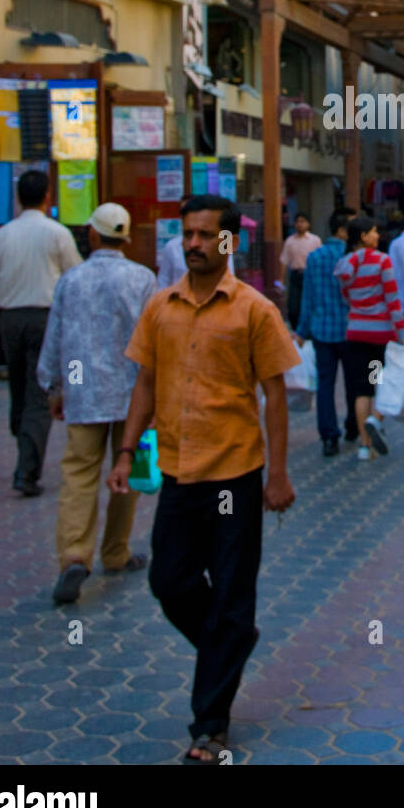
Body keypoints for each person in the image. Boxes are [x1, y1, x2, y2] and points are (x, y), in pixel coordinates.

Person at [107, 195, 299, 765]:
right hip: (178, 471)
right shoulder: (160, 306)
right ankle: (229, 643)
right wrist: (124, 452)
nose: (193, 244)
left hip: (236, 475)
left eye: (204, 235)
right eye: (186, 234)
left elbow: (276, 396)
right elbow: (144, 383)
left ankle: (209, 727)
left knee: (232, 597)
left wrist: (279, 475)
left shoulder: (254, 310)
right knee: (169, 581)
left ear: (227, 241)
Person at [36, 204, 156, 606]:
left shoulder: (72, 280)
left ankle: (74, 554)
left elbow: (56, 337)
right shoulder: (143, 279)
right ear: (125, 238)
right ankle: (116, 552)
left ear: (91, 235)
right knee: (132, 472)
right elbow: (154, 341)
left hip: (82, 388)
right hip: (132, 392)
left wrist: (56, 387)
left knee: (79, 473)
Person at [0, 169, 82, 496]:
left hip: (9, 318)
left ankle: (24, 444)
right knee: (39, 392)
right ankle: (27, 468)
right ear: (48, 195)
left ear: (18, 197)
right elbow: (75, 275)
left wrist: (7, 290)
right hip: (45, 317)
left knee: (19, 385)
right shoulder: (57, 233)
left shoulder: (2, 235)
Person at [334, 215, 404, 462]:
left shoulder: (345, 264)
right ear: (363, 236)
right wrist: (403, 334)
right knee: (379, 381)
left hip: (356, 333)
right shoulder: (382, 261)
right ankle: (375, 420)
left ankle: (365, 447)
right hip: (380, 335)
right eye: (374, 232)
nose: (378, 236)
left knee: (361, 390)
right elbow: (392, 300)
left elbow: (346, 298)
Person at [294, 211, 351, 457]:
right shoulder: (351, 257)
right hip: (350, 331)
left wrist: (301, 331)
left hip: (321, 331)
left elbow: (308, 297)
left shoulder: (314, 257)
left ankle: (329, 436)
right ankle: (353, 425)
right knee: (355, 381)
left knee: (324, 384)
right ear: (342, 231)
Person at [157, 197, 235, 291]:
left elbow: (229, 273)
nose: (193, 244)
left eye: (205, 235)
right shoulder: (171, 246)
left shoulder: (221, 244)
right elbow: (163, 279)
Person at [280, 212, 321, 331]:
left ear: (308, 224)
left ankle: (310, 329)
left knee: (311, 302)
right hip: (296, 275)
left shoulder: (315, 240)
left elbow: (319, 259)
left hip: (311, 275)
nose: (300, 224)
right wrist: (281, 279)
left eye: (303, 221)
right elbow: (284, 260)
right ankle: (295, 329)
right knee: (294, 305)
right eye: (297, 222)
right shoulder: (289, 241)